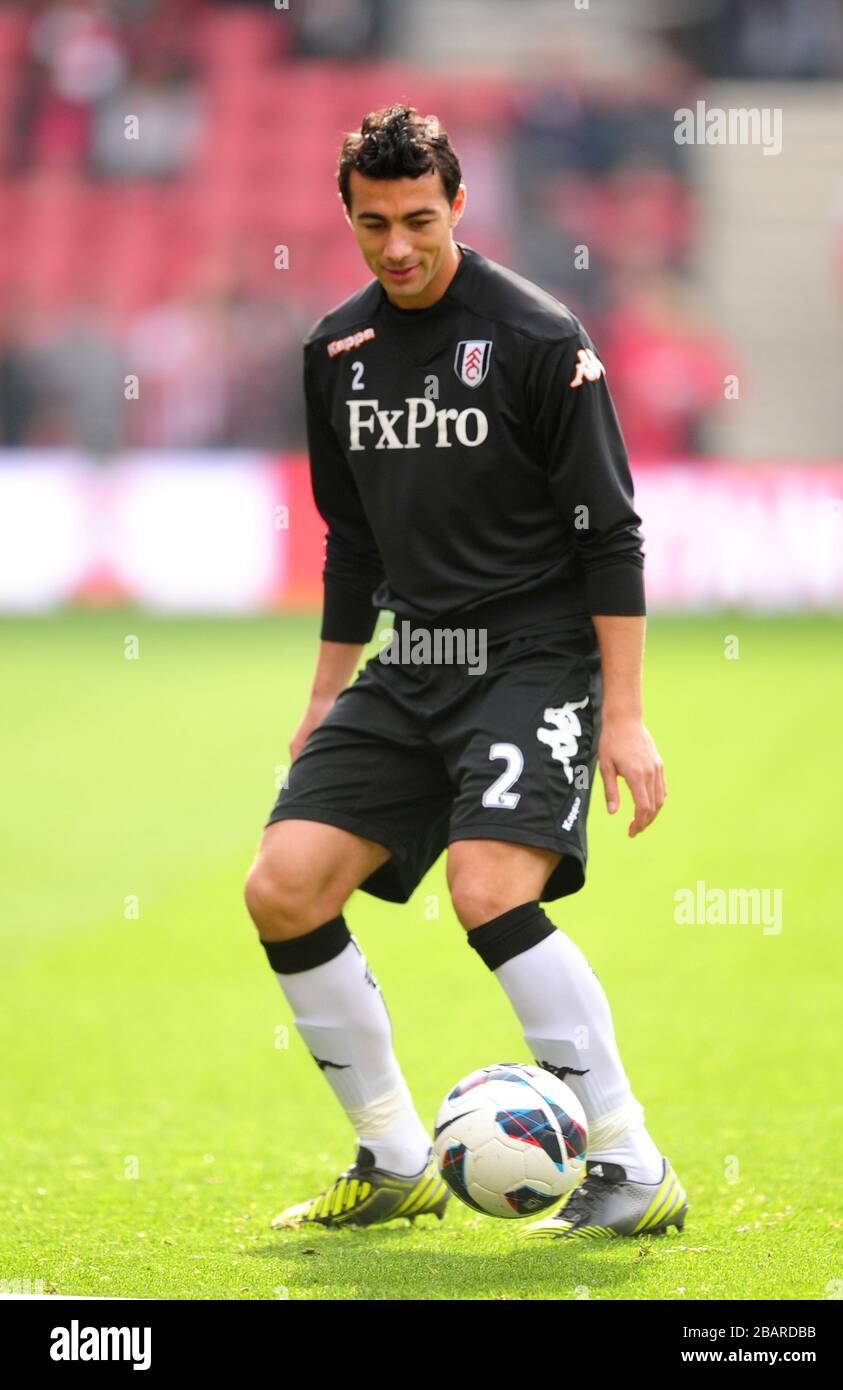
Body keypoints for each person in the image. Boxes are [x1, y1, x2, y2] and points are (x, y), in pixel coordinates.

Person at [244, 105, 687, 1240]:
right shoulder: (334, 351)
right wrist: (323, 693)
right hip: (411, 663)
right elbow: (352, 543)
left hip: (533, 659)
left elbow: (611, 536)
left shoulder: (538, 338)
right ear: (346, 216)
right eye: (373, 223)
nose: (398, 246)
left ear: (457, 208)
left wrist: (623, 717)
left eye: (419, 221)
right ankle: (392, 1155)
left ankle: (631, 1163)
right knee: (283, 884)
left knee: (488, 887)